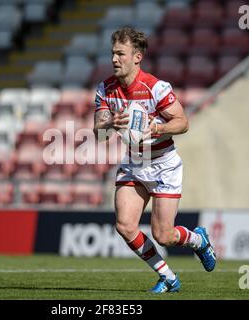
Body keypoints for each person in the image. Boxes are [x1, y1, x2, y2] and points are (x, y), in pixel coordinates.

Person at [93, 26, 216, 294]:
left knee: (164, 235)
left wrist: (157, 128)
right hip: (134, 163)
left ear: (137, 57)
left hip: (163, 164)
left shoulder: (155, 88)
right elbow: (99, 134)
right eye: (113, 53)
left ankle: (198, 240)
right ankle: (169, 278)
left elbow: (182, 123)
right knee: (125, 226)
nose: (114, 59)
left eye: (120, 54)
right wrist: (111, 122)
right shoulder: (105, 89)